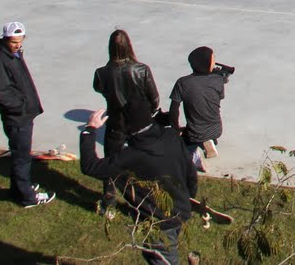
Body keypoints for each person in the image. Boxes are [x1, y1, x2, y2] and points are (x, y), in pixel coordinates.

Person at [79, 108, 197, 265]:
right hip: (181, 210)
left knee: (163, 259)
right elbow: (191, 173)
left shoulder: (129, 157)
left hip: (157, 222)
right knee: (155, 251)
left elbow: (90, 166)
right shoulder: (171, 137)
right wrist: (189, 199)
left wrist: (89, 131)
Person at [92, 29, 161, 216]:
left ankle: (109, 202)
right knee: (142, 164)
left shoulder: (102, 73)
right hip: (139, 123)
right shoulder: (141, 70)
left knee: (111, 163)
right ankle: (145, 203)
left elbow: (99, 88)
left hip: (116, 123)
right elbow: (154, 98)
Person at [0, 20, 52, 208]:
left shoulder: (13, 53)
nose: (17, 44)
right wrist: (22, 107)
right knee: (22, 157)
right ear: (5, 39)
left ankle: (18, 190)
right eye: (13, 41)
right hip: (17, 117)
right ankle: (28, 198)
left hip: (22, 115)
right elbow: (2, 93)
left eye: (20, 40)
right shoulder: (0, 60)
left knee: (21, 155)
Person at [169, 46, 235, 170]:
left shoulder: (182, 83)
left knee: (178, 144)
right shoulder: (218, 81)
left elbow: (174, 110)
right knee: (203, 128)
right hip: (216, 129)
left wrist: (175, 130)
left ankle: (194, 156)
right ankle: (208, 141)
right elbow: (217, 98)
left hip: (194, 133)